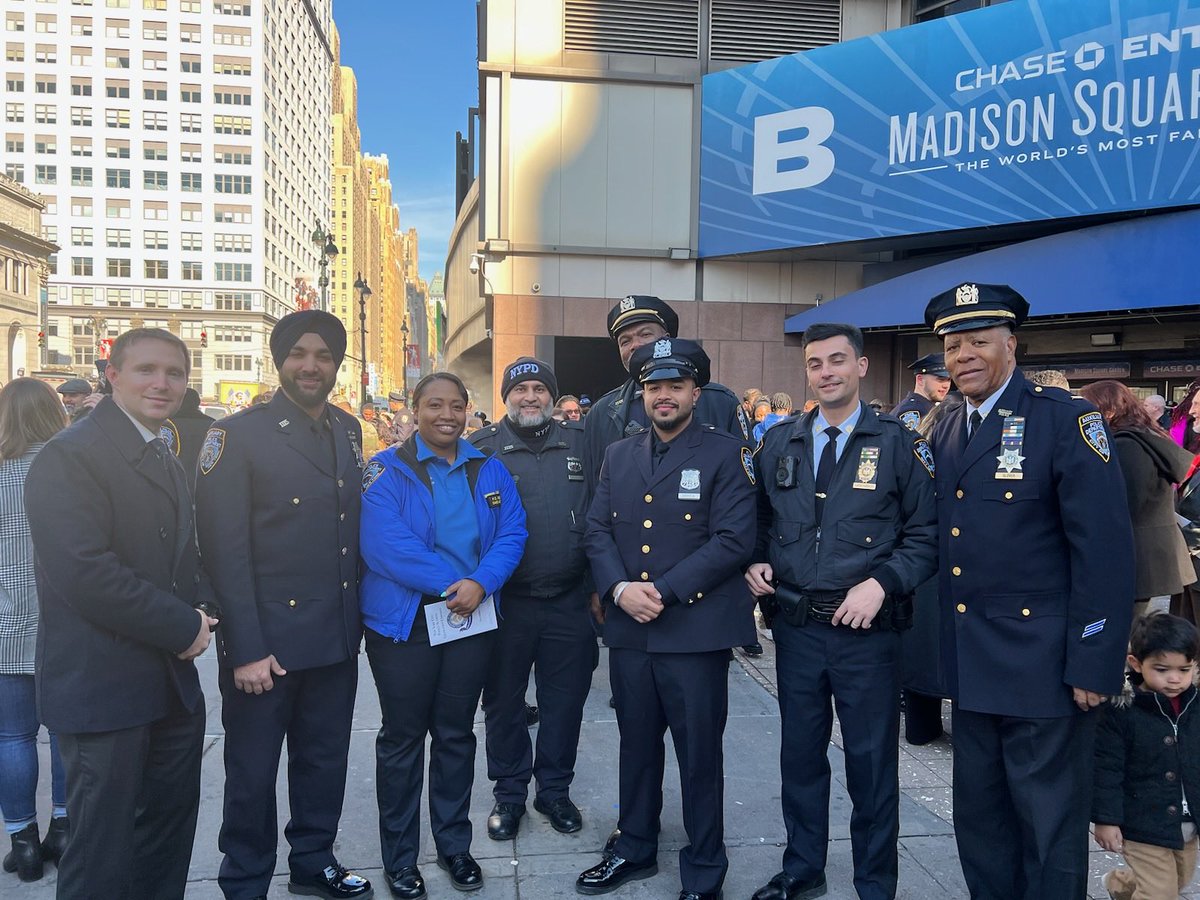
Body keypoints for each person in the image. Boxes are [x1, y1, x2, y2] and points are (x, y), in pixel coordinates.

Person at [923, 282, 1135, 899]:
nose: (963, 355)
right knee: (981, 825)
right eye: (954, 344)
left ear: (1011, 345)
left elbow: (1105, 553)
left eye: (979, 342)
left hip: (1044, 669)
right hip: (972, 665)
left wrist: (1095, 660)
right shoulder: (947, 427)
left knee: (1048, 831)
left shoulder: (1063, 420)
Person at [746, 323, 937, 900]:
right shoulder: (780, 442)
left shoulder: (900, 445)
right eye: (814, 363)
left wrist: (882, 583)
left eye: (836, 360)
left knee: (871, 767)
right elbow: (759, 520)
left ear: (860, 368)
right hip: (798, 630)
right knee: (800, 761)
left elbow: (926, 535)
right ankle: (803, 869)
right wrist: (754, 562)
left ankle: (875, 884)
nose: (825, 371)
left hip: (867, 634)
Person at [24, 328, 216, 899]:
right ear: (112, 374)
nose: (162, 384)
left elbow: (182, 556)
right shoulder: (70, 456)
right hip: (102, 690)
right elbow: (85, 572)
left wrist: (204, 605)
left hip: (168, 689)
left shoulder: (163, 450)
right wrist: (183, 626)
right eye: (146, 370)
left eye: (174, 374)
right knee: (101, 854)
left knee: (164, 841)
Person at [195, 310, 371, 900]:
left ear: (338, 364)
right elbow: (223, 551)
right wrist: (244, 648)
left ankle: (312, 861)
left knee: (324, 763)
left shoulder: (349, 428)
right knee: (252, 772)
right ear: (279, 360)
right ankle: (244, 880)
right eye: (299, 354)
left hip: (334, 639)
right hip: (264, 648)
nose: (311, 365)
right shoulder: (236, 435)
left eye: (324, 355)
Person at [576, 338, 756, 900]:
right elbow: (596, 528)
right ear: (642, 395)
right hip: (631, 628)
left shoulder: (725, 453)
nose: (663, 396)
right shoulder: (620, 454)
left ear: (694, 393)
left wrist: (665, 592)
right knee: (636, 744)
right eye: (654, 387)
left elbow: (734, 539)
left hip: (694, 632)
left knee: (699, 754)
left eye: (675, 385)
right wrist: (620, 587)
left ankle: (704, 869)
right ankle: (634, 845)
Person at [360, 372, 527, 899]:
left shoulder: (489, 467)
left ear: (468, 410)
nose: (447, 415)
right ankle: (401, 858)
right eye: (434, 405)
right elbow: (384, 544)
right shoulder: (384, 471)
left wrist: (482, 581)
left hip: (468, 619)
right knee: (403, 739)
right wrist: (454, 583)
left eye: (456, 406)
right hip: (405, 624)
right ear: (414, 409)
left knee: (456, 736)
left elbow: (513, 531)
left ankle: (455, 846)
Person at [581, 295, 755, 655]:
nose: (634, 346)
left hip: (698, 609)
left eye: (645, 335)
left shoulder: (720, 403)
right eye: (625, 341)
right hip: (629, 613)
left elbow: (744, 507)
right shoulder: (602, 413)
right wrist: (609, 586)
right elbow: (594, 512)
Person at [469, 359, 594, 841]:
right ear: (506, 397)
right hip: (505, 606)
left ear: (552, 396)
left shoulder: (582, 444)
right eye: (520, 388)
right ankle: (510, 793)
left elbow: (603, 515)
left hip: (569, 601)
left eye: (540, 388)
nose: (530, 397)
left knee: (565, 703)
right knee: (503, 702)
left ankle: (555, 791)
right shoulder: (481, 452)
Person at [0, 379, 68, 883]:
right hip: (63, 622)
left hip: (4, 625)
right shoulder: (68, 467)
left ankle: (22, 839)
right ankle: (65, 827)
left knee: (12, 736)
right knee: (68, 732)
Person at [1093, 613, 1200, 900]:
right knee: (1159, 893)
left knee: (1178, 880)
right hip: (1142, 821)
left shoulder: (1194, 705)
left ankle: (1121, 885)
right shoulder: (1124, 712)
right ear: (1136, 664)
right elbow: (1107, 768)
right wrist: (1106, 819)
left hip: (1189, 822)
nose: (1175, 679)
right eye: (1163, 670)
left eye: (1184, 669)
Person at [1079, 380, 1195, 620]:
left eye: (1088, 408)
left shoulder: (1127, 445)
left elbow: (1124, 506)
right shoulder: (1143, 437)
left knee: (1122, 630)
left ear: (1107, 410)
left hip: (1136, 558)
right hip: (1147, 556)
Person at [159, 387, 214, 492]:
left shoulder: (168, 425)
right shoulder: (213, 425)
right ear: (197, 402)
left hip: (177, 484)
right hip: (206, 484)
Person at [891, 353, 950, 430]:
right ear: (920, 380)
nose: (946, 385)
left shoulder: (923, 407)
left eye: (949, 380)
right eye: (940, 380)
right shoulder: (913, 411)